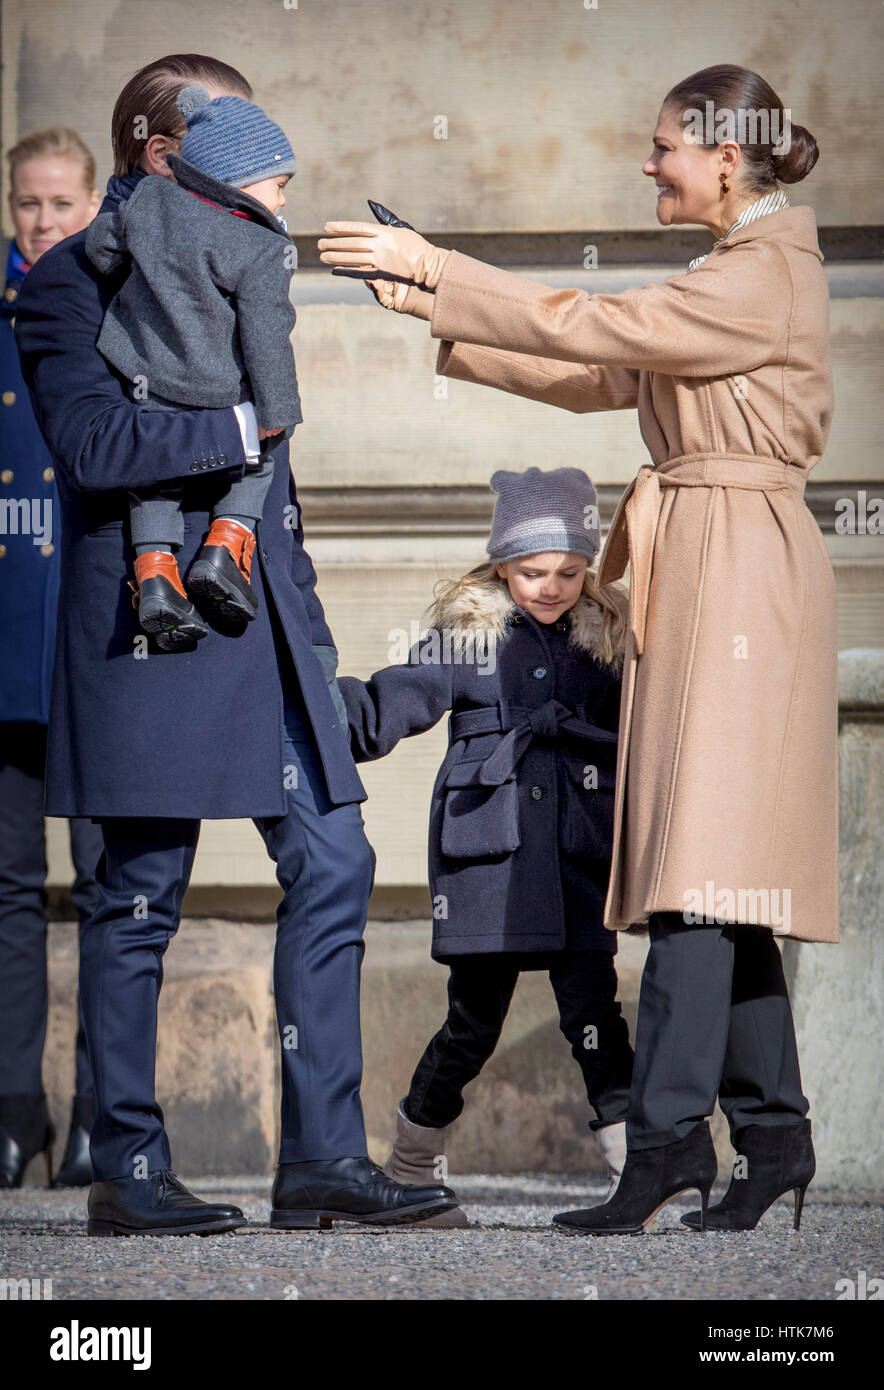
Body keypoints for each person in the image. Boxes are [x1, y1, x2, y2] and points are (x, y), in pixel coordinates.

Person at [318, 63, 837, 1235]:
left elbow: (601, 324)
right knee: (725, 866)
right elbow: (607, 371)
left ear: (722, 152)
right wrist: (432, 312)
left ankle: (662, 1150)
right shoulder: (734, 272)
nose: (645, 163)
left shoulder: (760, 272)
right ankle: (769, 1139)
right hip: (711, 548)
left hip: (733, 562)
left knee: (701, 867)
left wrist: (443, 270)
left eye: (661, 146)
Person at [14, 53, 455, 1236]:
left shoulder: (243, 256)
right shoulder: (69, 283)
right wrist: (237, 416)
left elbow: (280, 500)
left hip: (261, 631)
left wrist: (311, 640)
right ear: (161, 150)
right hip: (145, 633)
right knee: (137, 899)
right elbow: (97, 448)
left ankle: (318, 1158)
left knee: (337, 864)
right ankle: (131, 1171)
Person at [339, 466, 634, 1227]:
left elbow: (647, 729)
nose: (551, 586)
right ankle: (411, 1165)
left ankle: (637, 1172)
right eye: (533, 571)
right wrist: (331, 710)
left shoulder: (606, 639)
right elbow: (397, 699)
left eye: (570, 571)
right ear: (502, 563)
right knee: (472, 1023)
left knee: (594, 1014)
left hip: (576, 857)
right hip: (488, 864)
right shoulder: (467, 636)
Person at [85, 83, 302, 648]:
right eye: (278, 185)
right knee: (258, 460)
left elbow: (102, 249)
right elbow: (267, 337)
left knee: (151, 484)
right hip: (219, 391)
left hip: (144, 379)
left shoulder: (148, 202)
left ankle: (155, 572)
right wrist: (279, 412)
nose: (280, 201)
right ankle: (225, 546)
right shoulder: (258, 245)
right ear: (236, 178)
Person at [0, 126, 104, 1190]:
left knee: (114, 889)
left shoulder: (122, 305)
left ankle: (107, 1115)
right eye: (26, 204)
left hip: (96, 644)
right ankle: (13, 1105)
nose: (41, 222)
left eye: (59, 203)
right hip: (7, 644)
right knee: (8, 888)